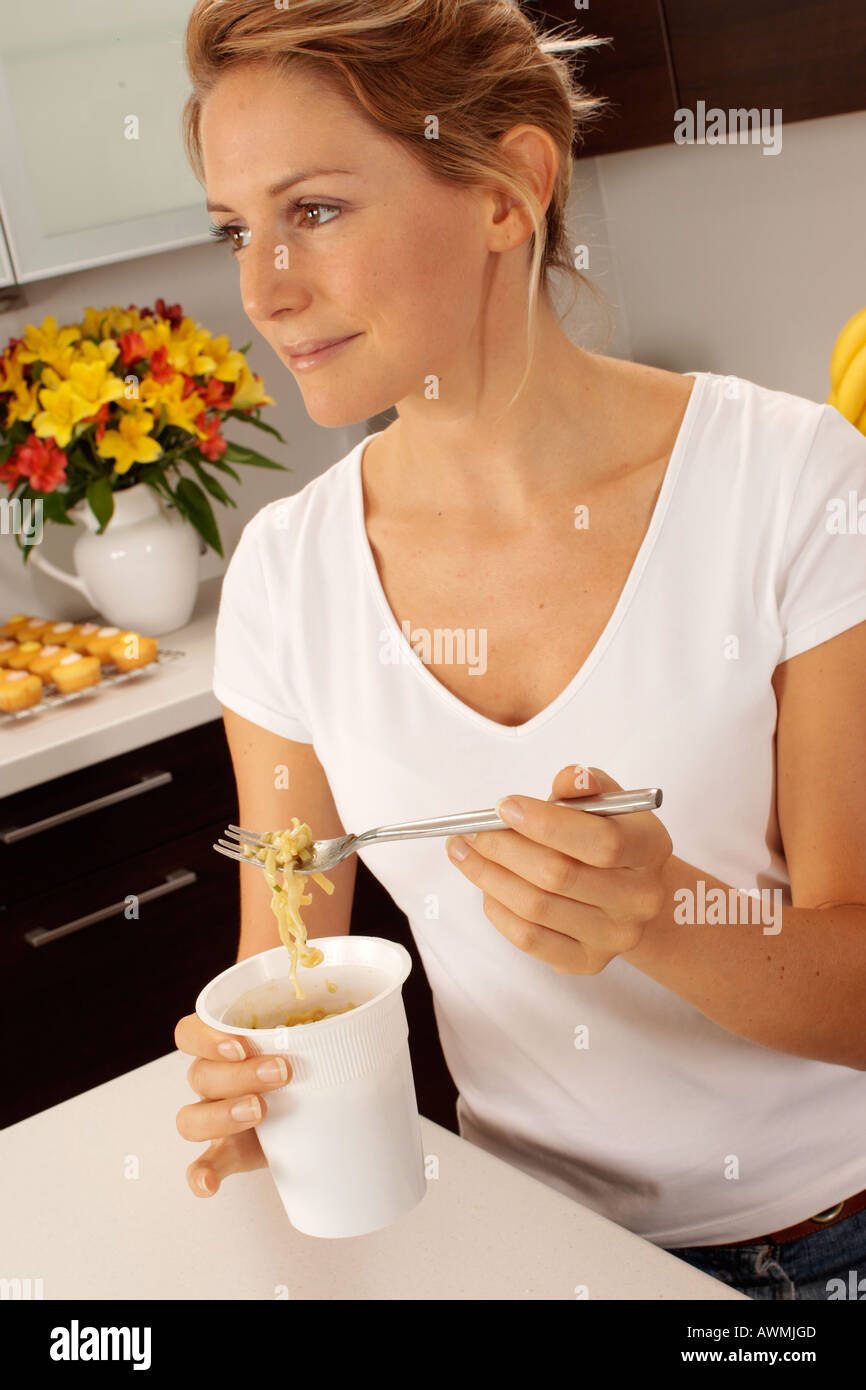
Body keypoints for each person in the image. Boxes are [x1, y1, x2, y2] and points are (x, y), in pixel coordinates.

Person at [173, 0, 866, 1300]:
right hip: (522, 1253)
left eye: (313, 209)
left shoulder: (794, 484)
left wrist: (665, 917)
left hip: (829, 1238)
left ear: (509, 189)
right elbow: (287, 959)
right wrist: (246, 1079)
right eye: (234, 230)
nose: (262, 289)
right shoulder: (284, 579)